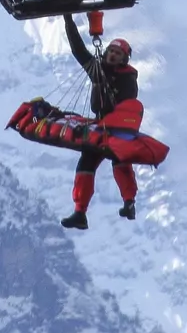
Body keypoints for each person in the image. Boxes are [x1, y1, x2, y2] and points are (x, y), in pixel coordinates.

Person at [59, 14, 142, 229]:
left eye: (118, 53)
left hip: (117, 129)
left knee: (120, 162)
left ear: (124, 59)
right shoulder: (99, 71)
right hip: (101, 125)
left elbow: (127, 102)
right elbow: (79, 51)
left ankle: (129, 202)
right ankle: (80, 212)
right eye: (111, 51)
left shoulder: (128, 79)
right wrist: (68, 21)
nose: (113, 55)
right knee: (86, 164)